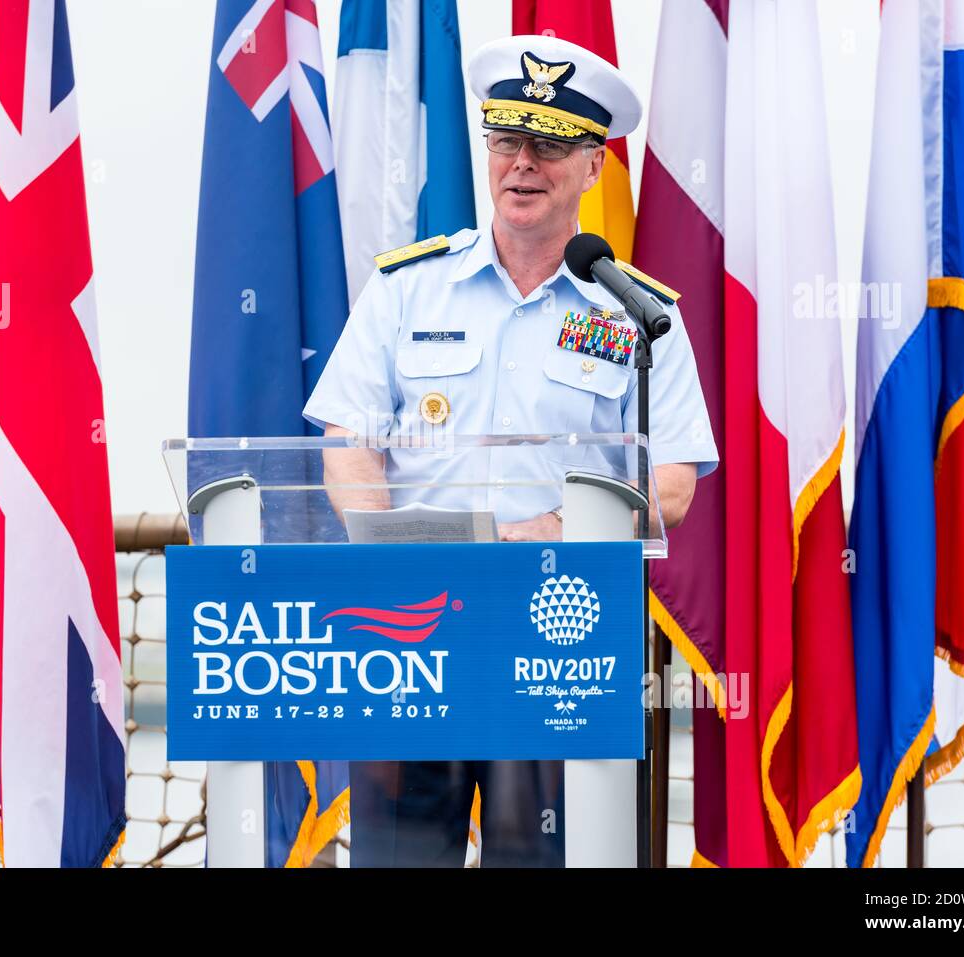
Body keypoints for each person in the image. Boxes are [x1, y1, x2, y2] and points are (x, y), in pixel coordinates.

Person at [303, 34, 718, 867]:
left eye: (550, 145)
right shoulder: (406, 287)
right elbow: (348, 441)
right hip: (410, 640)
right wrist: (391, 554)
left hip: (559, 639)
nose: (522, 165)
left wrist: (552, 531)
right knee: (399, 860)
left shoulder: (639, 314)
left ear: (594, 166)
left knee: (547, 860)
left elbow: (671, 483)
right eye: (507, 141)